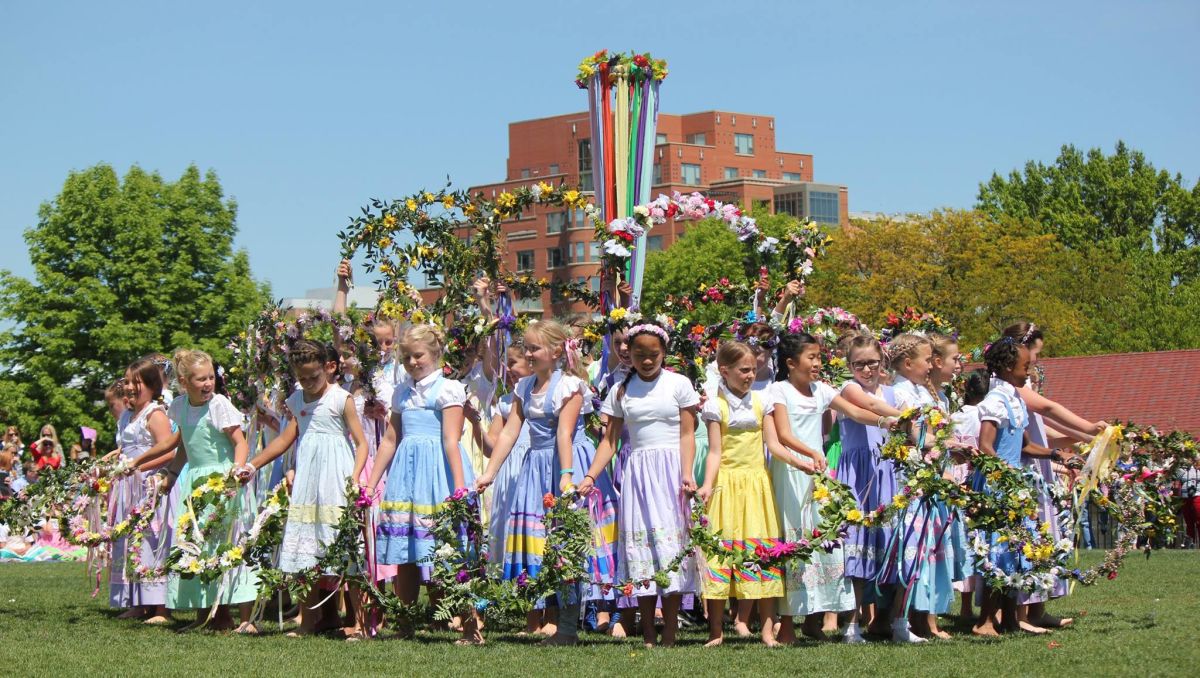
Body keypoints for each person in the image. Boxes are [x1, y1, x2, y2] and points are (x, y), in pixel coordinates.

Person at [475, 320, 619, 646]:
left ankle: (567, 626)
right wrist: (490, 472)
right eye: (526, 348)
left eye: (534, 348)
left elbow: (564, 434)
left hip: (567, 462)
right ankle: (554, 621)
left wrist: (566, 476)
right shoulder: (524, 387)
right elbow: (510, 432)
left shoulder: (569, 386)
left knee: (569, 543)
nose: (528, 353)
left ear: (555, 351)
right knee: (544, 544)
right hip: (536, 468)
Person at [769, 332, 896, 644]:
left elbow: (856, 412)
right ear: (791, 363)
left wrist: (889, 421)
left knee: (823, 542)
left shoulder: (822, 390)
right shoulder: (779, 391)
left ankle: (813, 621)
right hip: (791, 472)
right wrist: (810, 453)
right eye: (811, 357)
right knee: (796, 541)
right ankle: (787, 625)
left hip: (818, 476)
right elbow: (784, 435)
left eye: (818, 357)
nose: (817, 363)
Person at [579, 322, 701, 648]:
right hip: (638, 474)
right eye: (639, 354)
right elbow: (610, 441)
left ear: (664, 353)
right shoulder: (622, 390)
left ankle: (670, 631)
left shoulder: (679, 384)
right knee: (641, 551)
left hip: (671, 471)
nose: (647, 360)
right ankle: (647, 632)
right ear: (629, 354)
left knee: (671, 549)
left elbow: (687, 434)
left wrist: (687, 473)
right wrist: (590, 476)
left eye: (653, 354)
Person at [238, 339, 369, 638]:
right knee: (306, 550)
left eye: (313, 377)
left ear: (329, 367)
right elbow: (285, 440)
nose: (308, 383)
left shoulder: (341, 399)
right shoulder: (297, 400)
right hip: (309, 479)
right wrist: (252, 465)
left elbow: (361, 443)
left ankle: (360, 624)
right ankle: (308, 622)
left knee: (346, 549)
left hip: (336, 477)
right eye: (302, 378)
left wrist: (355, 478)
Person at [367, 324, 480, 643]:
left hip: (439, 473)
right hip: (407, 474)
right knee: (407, 552)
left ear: (435, 353)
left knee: (453, 551)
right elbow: (391, 440)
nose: (412, 362)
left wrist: (459, 488)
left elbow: (451, 440)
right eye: (406, 358)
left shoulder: (448, 389)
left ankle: (470, 627)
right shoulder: (402, 392)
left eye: (418, 356)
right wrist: (371, 484)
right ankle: (406, 624)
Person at [971, 338, 1078, 637]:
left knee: (1015, 550)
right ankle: (985, 621)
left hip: (1015, 484)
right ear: (1008, 367)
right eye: (1025, 365)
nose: (1029, 371)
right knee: (997, 550)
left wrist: (1056, 454)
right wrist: (1005, 474)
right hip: (998, 484)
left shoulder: (1016, 400)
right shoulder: (995, 401)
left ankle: (1010, 619)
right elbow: (986, 446)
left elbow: (1025, 445)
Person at [157, 349, 258, 633]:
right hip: (196, 482)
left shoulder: (219, 405)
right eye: (201, 379)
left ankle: (246, 618)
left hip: (224, 480)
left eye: (211, 377)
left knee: (233, 543)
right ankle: (208, 614)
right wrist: (172, 475)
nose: (208, 384)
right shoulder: (179, 406)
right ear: (184, 382)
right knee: (199, 546)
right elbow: (185, 447)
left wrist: (236, 472)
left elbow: (240, 443)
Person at [697, 340, 783, 648]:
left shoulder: (762, 401)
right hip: (728, 485)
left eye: (753, 370)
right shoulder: (716, 406)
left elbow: (773, 445)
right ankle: (716, 631)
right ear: (725, 371)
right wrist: (707, 484)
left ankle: (767, 632)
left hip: (757, 486)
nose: (750, 376)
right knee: (720, 554)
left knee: (762, 552)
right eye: (744, 370)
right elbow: (715, 452)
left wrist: (803, 461)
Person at [110, 356, 175, 624]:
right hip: (128, 487)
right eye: (126, 382)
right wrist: (113, 461)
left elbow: (169, 452)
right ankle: (137, 602)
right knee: (131, 541)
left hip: (151, 485)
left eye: (136, 382)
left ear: (150, 385)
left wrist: (138, 467)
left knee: (152, 541)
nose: (129, 387)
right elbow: (127, 448)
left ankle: (161, 608)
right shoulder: (128, 415)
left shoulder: (155, 414)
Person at [949, 368, 990, 618]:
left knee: (963, 538)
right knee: (978, 538)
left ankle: (965, 604)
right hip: (975, 475)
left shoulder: (955, 416)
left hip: (955, 475)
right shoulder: (985, 415)